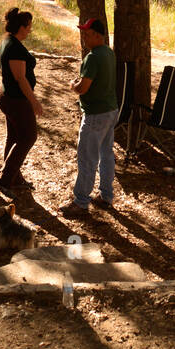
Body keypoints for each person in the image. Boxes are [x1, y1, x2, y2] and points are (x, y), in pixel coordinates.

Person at [61, 18, 118, 217]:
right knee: (106, 155)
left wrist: (72, 85)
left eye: (87, 33)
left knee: (87, 157)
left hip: (95, 115)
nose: (84, 37)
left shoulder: (93, 57)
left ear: (97, 35)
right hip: (110, 111)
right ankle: (106, 195)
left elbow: (83, 88)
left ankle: (81, 201)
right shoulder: (109, 53)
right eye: (83, 33)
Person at [0, 7, 42, 194]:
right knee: (29, 136)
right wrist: (34, 101)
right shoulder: (14, 47)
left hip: (11, 97)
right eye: (29, 26)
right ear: (22, 27)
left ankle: (14, 177)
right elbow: (20, 78)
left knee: (15, 137)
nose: (30, 29)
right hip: (16, 100)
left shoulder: (11, 41)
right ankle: (5, 178)